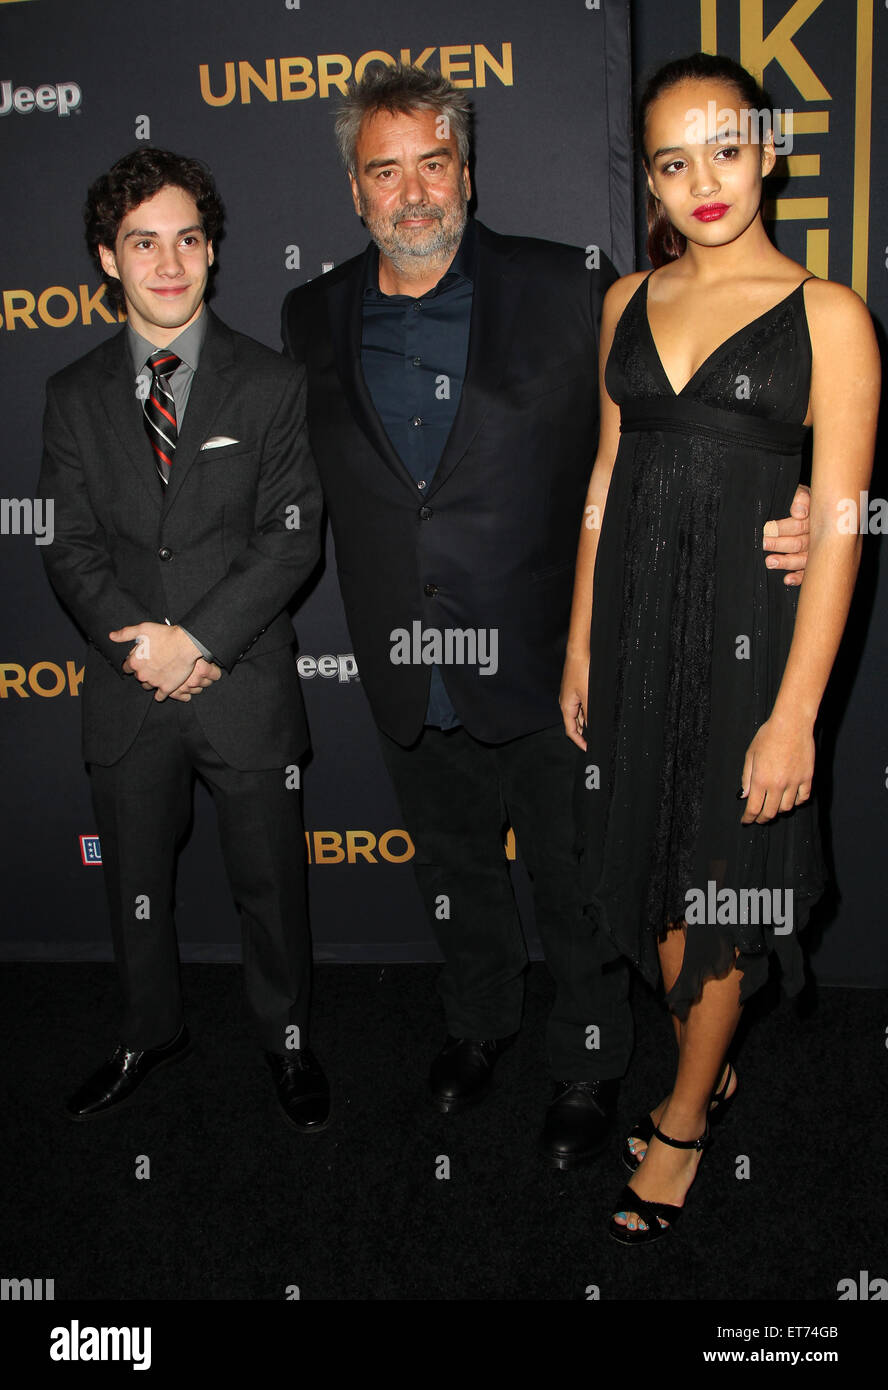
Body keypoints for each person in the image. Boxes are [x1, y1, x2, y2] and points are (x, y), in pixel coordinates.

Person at [282, 63, 809, 1164]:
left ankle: (586, 1060)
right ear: (355, 191)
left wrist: (795, 496)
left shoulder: (571, 285)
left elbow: (674, 421)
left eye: (434, 162)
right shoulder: (309, 313)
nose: (413, 191)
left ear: (467, 173)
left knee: (573, 878)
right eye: (386, 170)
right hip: (401, 660)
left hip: (549, 656)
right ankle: (478, 1024)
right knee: (454, 868)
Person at [561, 52, 879, 1242]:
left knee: (721, 888)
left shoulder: (831, 316)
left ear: (772, 150)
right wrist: (582, 645)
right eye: (672, 159)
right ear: (648, 175)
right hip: (636, 637)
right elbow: (604, 477)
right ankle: (710, 1059)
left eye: (726, 148)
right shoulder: (622, 303)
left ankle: (686, 1120)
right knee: (642, 875)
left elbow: (840, 525)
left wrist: (796, 712)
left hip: (752, 646)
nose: (703, 180)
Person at [37, 148, 330, 1132]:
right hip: (130, 690)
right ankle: (146, 1029)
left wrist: (196, 641)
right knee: (135, 888)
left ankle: (288, 1039)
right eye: (143, 242)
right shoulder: (72, 393)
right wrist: (142, 649)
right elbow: (70, 546)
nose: (169, 263)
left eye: (188, 239)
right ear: (106, 260)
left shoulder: (274, 382)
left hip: (239, 680)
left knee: (271, 886)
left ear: (212, 250)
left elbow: (292, 538)